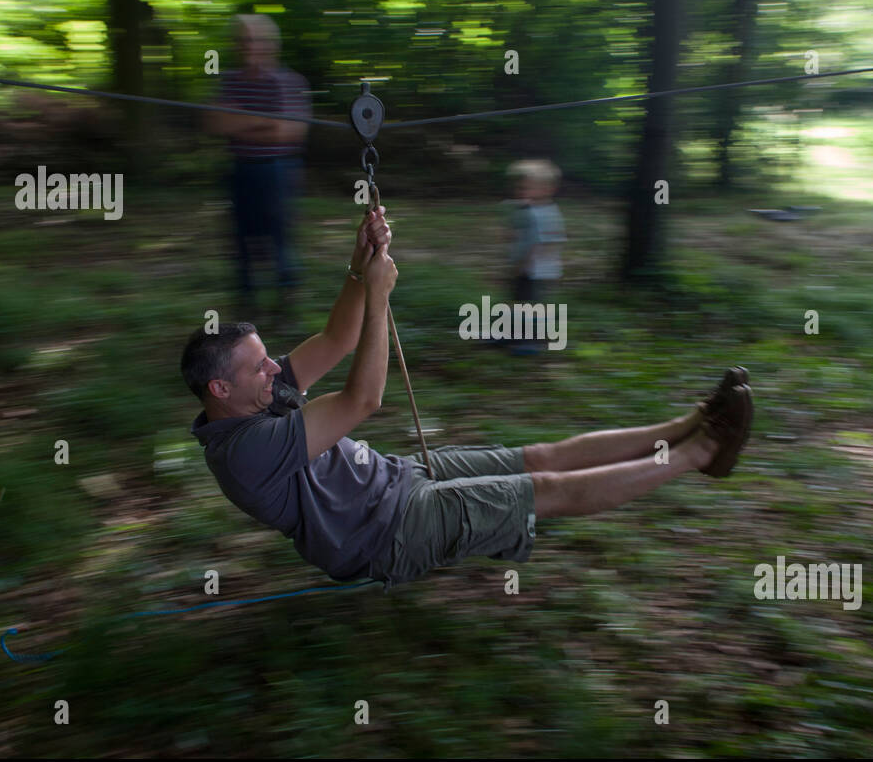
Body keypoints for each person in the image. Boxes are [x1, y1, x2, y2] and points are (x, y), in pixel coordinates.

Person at [181, 205, 753, 591]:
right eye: (259, 365)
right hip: (387, 534)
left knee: (542, 457)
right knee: (544, 490)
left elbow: (336, 339)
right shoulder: (244, 452)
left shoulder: (258, 392)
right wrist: (381, 299)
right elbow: (363, 400)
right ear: (220, 390)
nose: (273, 367)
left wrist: (359, 270)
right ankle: (702, 453)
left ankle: (696, 419)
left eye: (268, 357)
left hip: (397, 477)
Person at [206, 14, 312, 326]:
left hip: (277, 170)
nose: (247, 46)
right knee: (240, 239)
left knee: (279, 238)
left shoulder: (290, 81)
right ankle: (247, 305)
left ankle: (286, 302)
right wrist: (263, 122)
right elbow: (214, 122)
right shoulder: (229, 80)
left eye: (253, 39)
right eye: (241, 40)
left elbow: (289, 131)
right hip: (240, 169)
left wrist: (241, 121)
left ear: (270, 44)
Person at [506, 159, 566, 355]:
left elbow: (546, 243)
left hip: (536, 270)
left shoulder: (547, 214)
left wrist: (525, 263)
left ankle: (531, 341)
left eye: (527, 187)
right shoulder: (529, 210)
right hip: (524, 267)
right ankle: (509, 334)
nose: (521, 190)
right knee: (518, 302)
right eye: (520, 186)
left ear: (548, 189)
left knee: (532, 306)